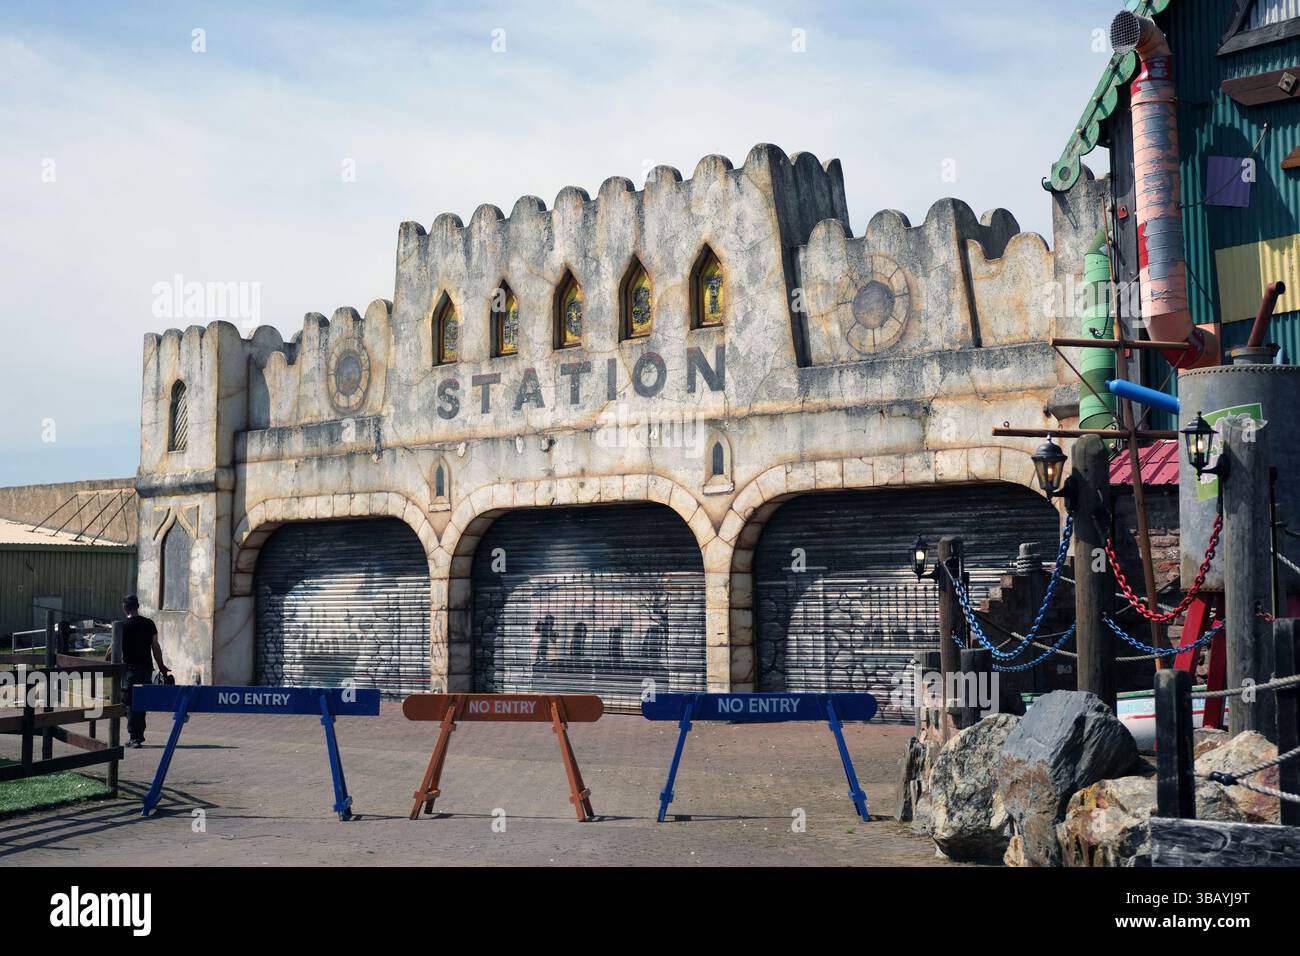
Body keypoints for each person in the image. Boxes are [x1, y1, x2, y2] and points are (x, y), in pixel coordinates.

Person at [106, 595, 170, 747]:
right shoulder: (149, 624)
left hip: (130, 671)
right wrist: (161, 665)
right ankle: (137, 735)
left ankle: (135, 737)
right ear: (138, 606)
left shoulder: (122, 626)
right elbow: (155, 646)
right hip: (146, 669)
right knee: (141, 702)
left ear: (124, 608)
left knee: (128, 703)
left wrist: (106, 662)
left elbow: (112, 648)